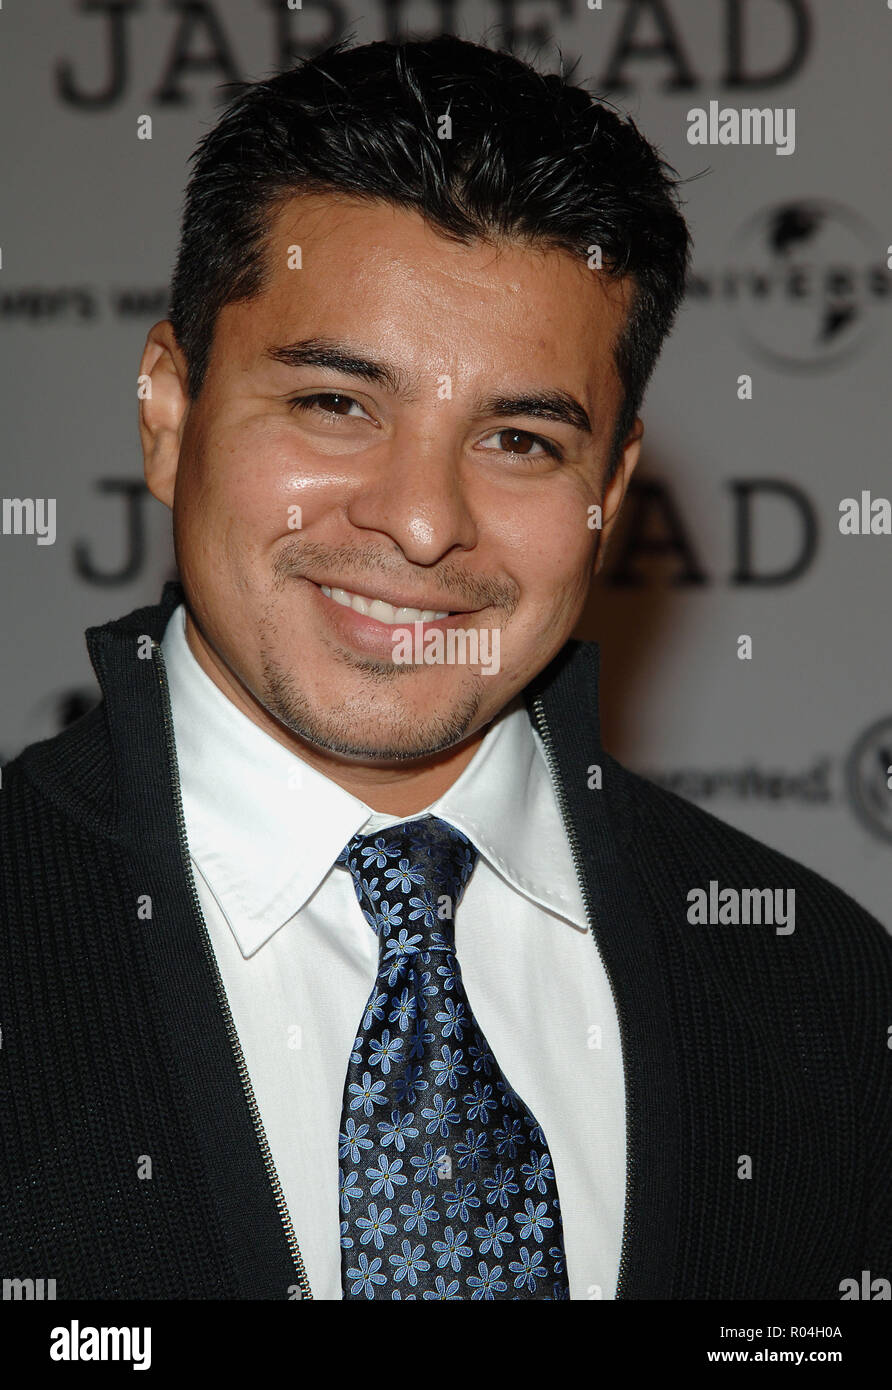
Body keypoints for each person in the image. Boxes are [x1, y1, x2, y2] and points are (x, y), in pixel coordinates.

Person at [1, 34, 889, 1303]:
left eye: (521, 438)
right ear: (170, 412)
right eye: (335, 404)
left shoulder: (821, 998)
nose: (421, 521)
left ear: (611, 492)